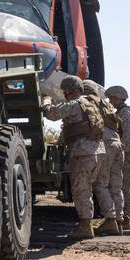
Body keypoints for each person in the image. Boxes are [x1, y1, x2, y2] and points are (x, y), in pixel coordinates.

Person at [43, 76, 106, 239]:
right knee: (88, 189)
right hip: (97, 150)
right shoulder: (91, 103)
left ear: (68, 91)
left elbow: (51, 114)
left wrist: (46, 101)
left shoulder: (74, 104)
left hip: (82, 153)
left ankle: (85, 226)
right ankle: (88, 223)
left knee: (81, 190)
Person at [84, 80, 122, 236]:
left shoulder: (86, 103)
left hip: (105, 144)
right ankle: (120, 220)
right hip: (117, 143)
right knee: (115, 185)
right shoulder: (105, 104)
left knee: (100, 184)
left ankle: (110, 220)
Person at [107, 85, 130, 230]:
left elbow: (128, 134)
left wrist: (123, 152)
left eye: (112, 98)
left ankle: (128, 218)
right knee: (129, 186)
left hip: (128, 152)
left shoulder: (125, 112)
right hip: (128, 151)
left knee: (127, 187)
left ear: (118, 98)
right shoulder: (122, 111)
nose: (110, 100)